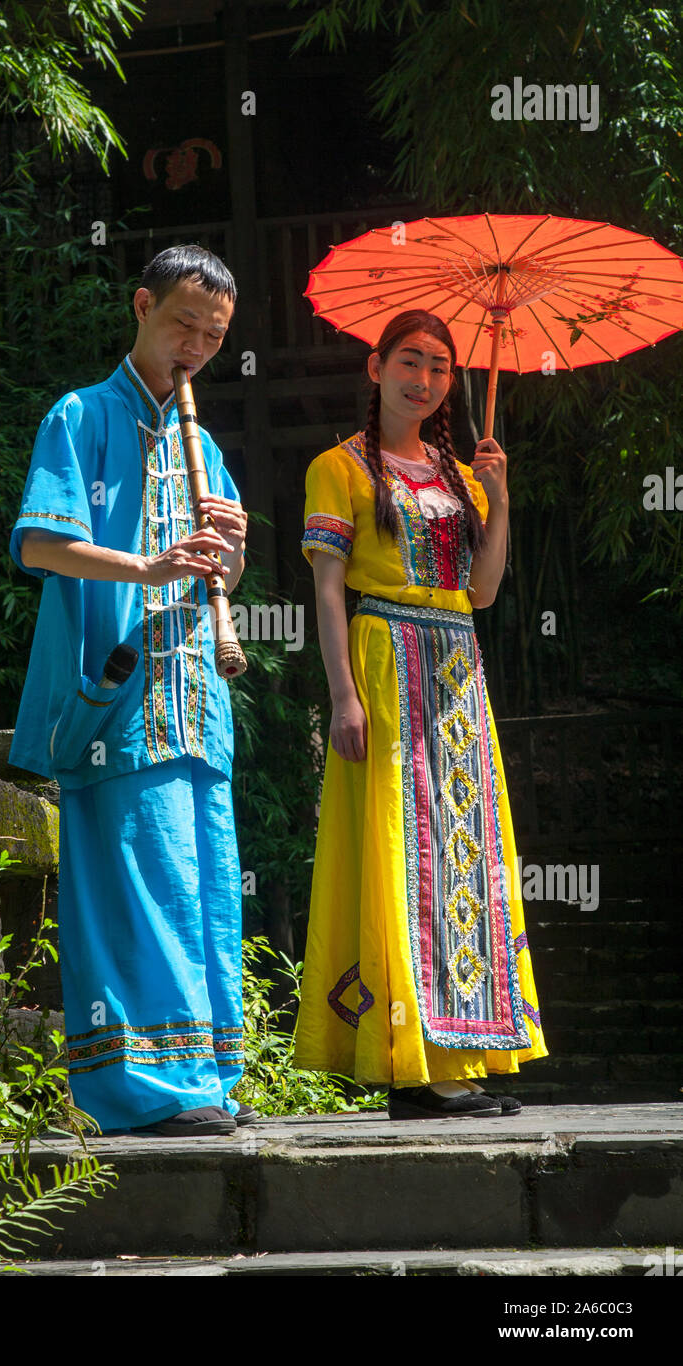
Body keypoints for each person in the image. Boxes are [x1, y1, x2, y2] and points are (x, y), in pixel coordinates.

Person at [7, 245, 253, 1136]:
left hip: (195, 695)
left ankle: (207, 1079)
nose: (195, 345)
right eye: (184, 323)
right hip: (115, 698)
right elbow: (40, 545)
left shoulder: (203, 446)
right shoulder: (80, 417)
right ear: (141, 306)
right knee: (133, 888)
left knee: (205, 884)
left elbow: (225, 565)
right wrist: (145, 565)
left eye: (214, 336)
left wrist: (232, 542)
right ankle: (143, 1091)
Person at [293, 309, 548, 1119]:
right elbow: (328, 589)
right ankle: (411, 1063)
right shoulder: (338, 467)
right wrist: (342, 693)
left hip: (456, 662)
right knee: (402, 848)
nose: (425, 378)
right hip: (385, 653)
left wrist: (498, 501)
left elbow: (483, 592)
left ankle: (459, 1055)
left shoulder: (461, 473)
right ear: (376, 368)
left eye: (440, 366)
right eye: (410, 361)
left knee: (460, 854)